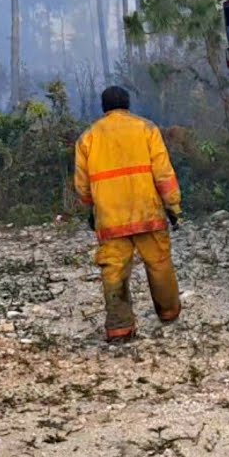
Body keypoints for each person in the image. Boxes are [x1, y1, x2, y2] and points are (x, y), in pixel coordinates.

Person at [74, 86, 183, 343]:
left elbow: (82, 184)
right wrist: (173, 207)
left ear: (103, 107)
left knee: (113, 271)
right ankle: (168, 313)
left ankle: (120, 327)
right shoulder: (147, 129)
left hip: (110, 218)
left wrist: (92, 208)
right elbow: (164, 174)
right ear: (128, 104)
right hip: (148, 212)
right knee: (159, 264)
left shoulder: (87, 138)